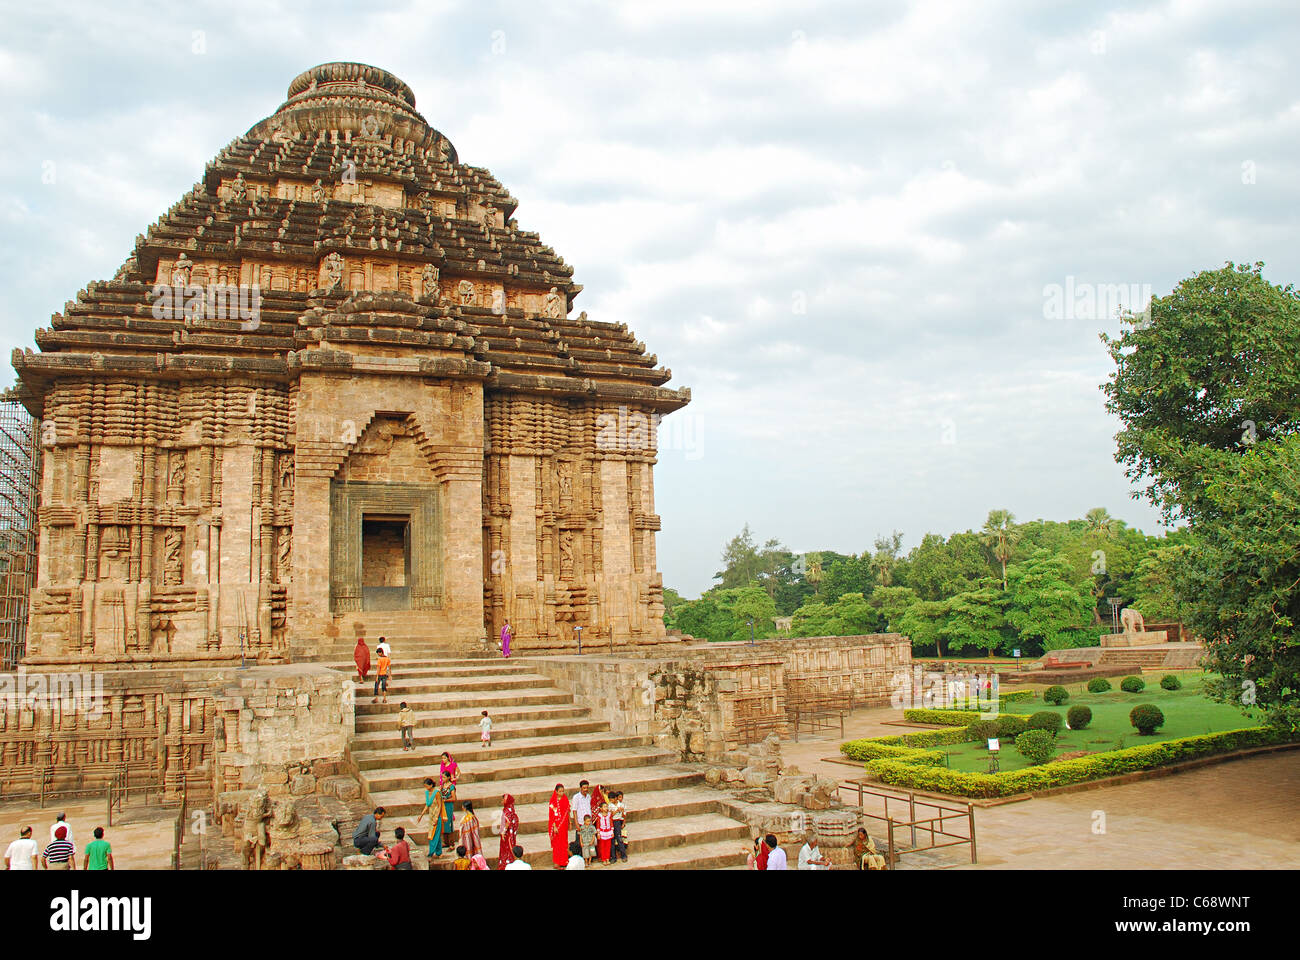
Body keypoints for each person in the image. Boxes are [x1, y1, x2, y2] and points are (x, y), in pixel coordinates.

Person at [417, 776, 451, 859]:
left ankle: (432, 851)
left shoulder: (437, 793)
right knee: (434, 834)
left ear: (431, 785)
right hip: (431, 816)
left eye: (427, 786)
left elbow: (440, 806)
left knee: (434, 835)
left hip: (437, 816)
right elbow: (427, 805)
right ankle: (439, 853)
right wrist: (421, 815)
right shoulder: (426, 793)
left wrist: (436, 817)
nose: (426, 788)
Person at [548, 783, 571, 868]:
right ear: (556, 791)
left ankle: (564, 861)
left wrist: (570, 822)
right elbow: (551, 815)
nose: (562, 793)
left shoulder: (565, 799)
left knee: (564, 843)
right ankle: (557, 862)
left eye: (563, 791)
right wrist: (554, 826)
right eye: (560, 791)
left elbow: (567, 812)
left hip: (564, 825)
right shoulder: (553, 801)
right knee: (557, 844)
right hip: (556, 825)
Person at [497, 794, 519, 869]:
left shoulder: (506, 810)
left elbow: (508, 822)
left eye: (503, 800)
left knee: (507, 848)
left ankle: (505, 864)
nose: (501, 801)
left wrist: (503, 832)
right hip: (511, 834)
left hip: (507, 835)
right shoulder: (511, 809)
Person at [610, 790, 627, 863]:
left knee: (619, 839)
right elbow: (610, 815)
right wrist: (616, 811)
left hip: (618, 822)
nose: (611, 801)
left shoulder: (621, 805)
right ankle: (613, 857)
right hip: (611, 822)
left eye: (612, 799)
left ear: (615, 798)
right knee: (612, 841)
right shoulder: (610, 805)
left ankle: (624, 855)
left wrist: (622, 811)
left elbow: (624, 816)